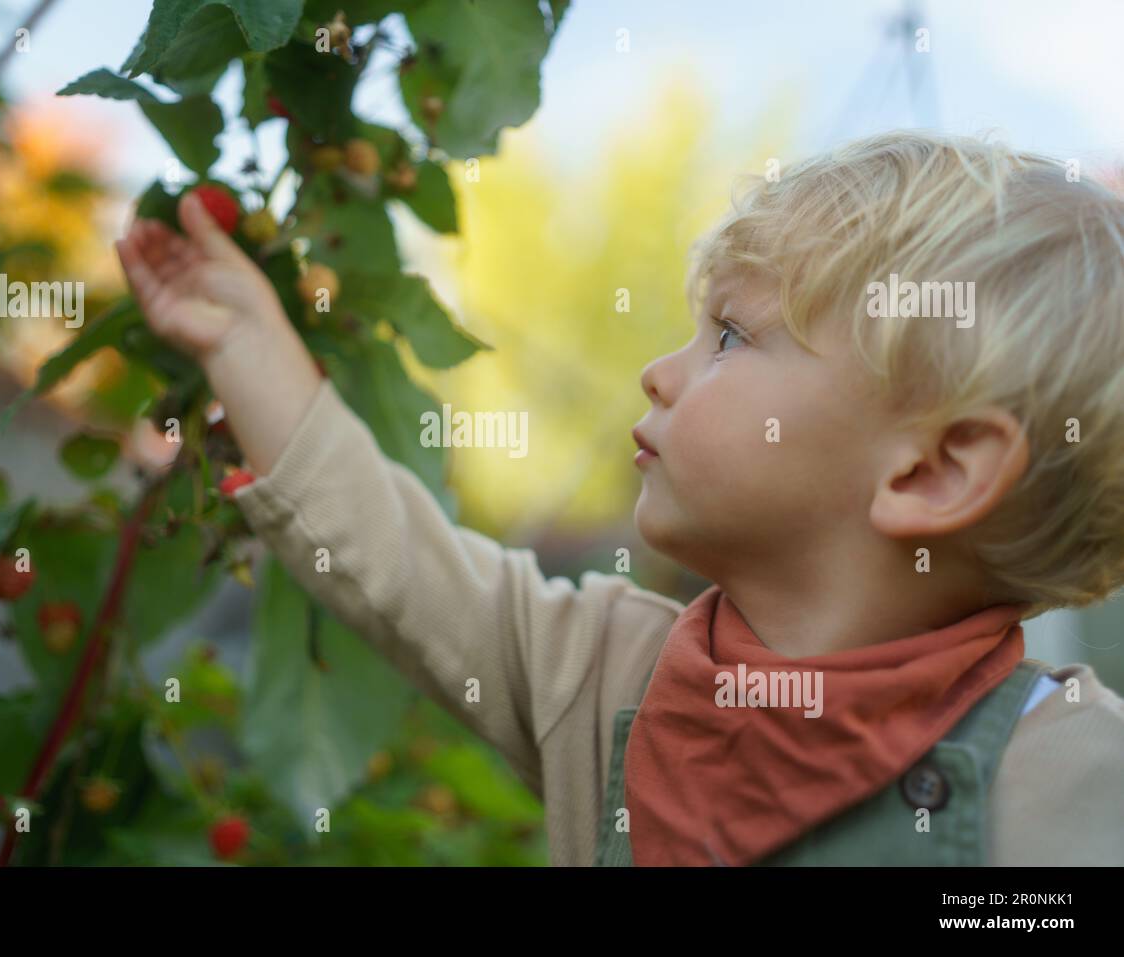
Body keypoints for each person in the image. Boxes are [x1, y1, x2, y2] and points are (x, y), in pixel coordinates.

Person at [116, 131, 1124, 866]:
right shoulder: (601, 674)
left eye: (730, 336)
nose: (658, 371)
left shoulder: (1077, 782)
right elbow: (390, 556)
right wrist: (241, 339)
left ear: (928, 473)